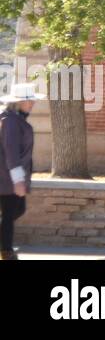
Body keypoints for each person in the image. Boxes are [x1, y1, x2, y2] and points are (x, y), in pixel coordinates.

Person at [1, 82, 43, 261]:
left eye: (32, 101)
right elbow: (11, 151)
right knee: (10, 214)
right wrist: (18, 180)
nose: (32, 104)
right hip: (7, 178)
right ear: (18, 102)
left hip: (8, 177)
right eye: (28, 101)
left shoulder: (15, 119)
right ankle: (7, 252)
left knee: (16, 211)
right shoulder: (10, 121)